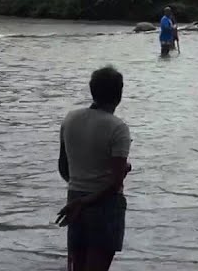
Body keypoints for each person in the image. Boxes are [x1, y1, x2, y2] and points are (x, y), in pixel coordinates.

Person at [57, 66, 132, 271]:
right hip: (104, 206)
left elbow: (63, 167)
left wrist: (79, 195)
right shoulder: (118, 128)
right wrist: (123, 171)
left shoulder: (70, 119)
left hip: (74, 201)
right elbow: (115, 182)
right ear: (119, 94)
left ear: (92, 91)